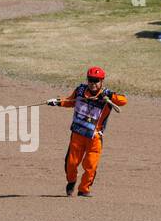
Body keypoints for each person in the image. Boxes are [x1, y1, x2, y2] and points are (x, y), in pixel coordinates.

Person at [47, 66, 128, 197]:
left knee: (90, 165)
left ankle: (84, 190)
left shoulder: (107, 95)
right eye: (90, 80)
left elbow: (123, 101)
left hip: (94, 139)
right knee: (71, 164)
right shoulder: (80, 91)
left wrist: (109, 95)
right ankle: (71, 181)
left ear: (102, 81)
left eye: (96, 80)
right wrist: (56, 102)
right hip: (77, 135)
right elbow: (69, 101)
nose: (93, 83)